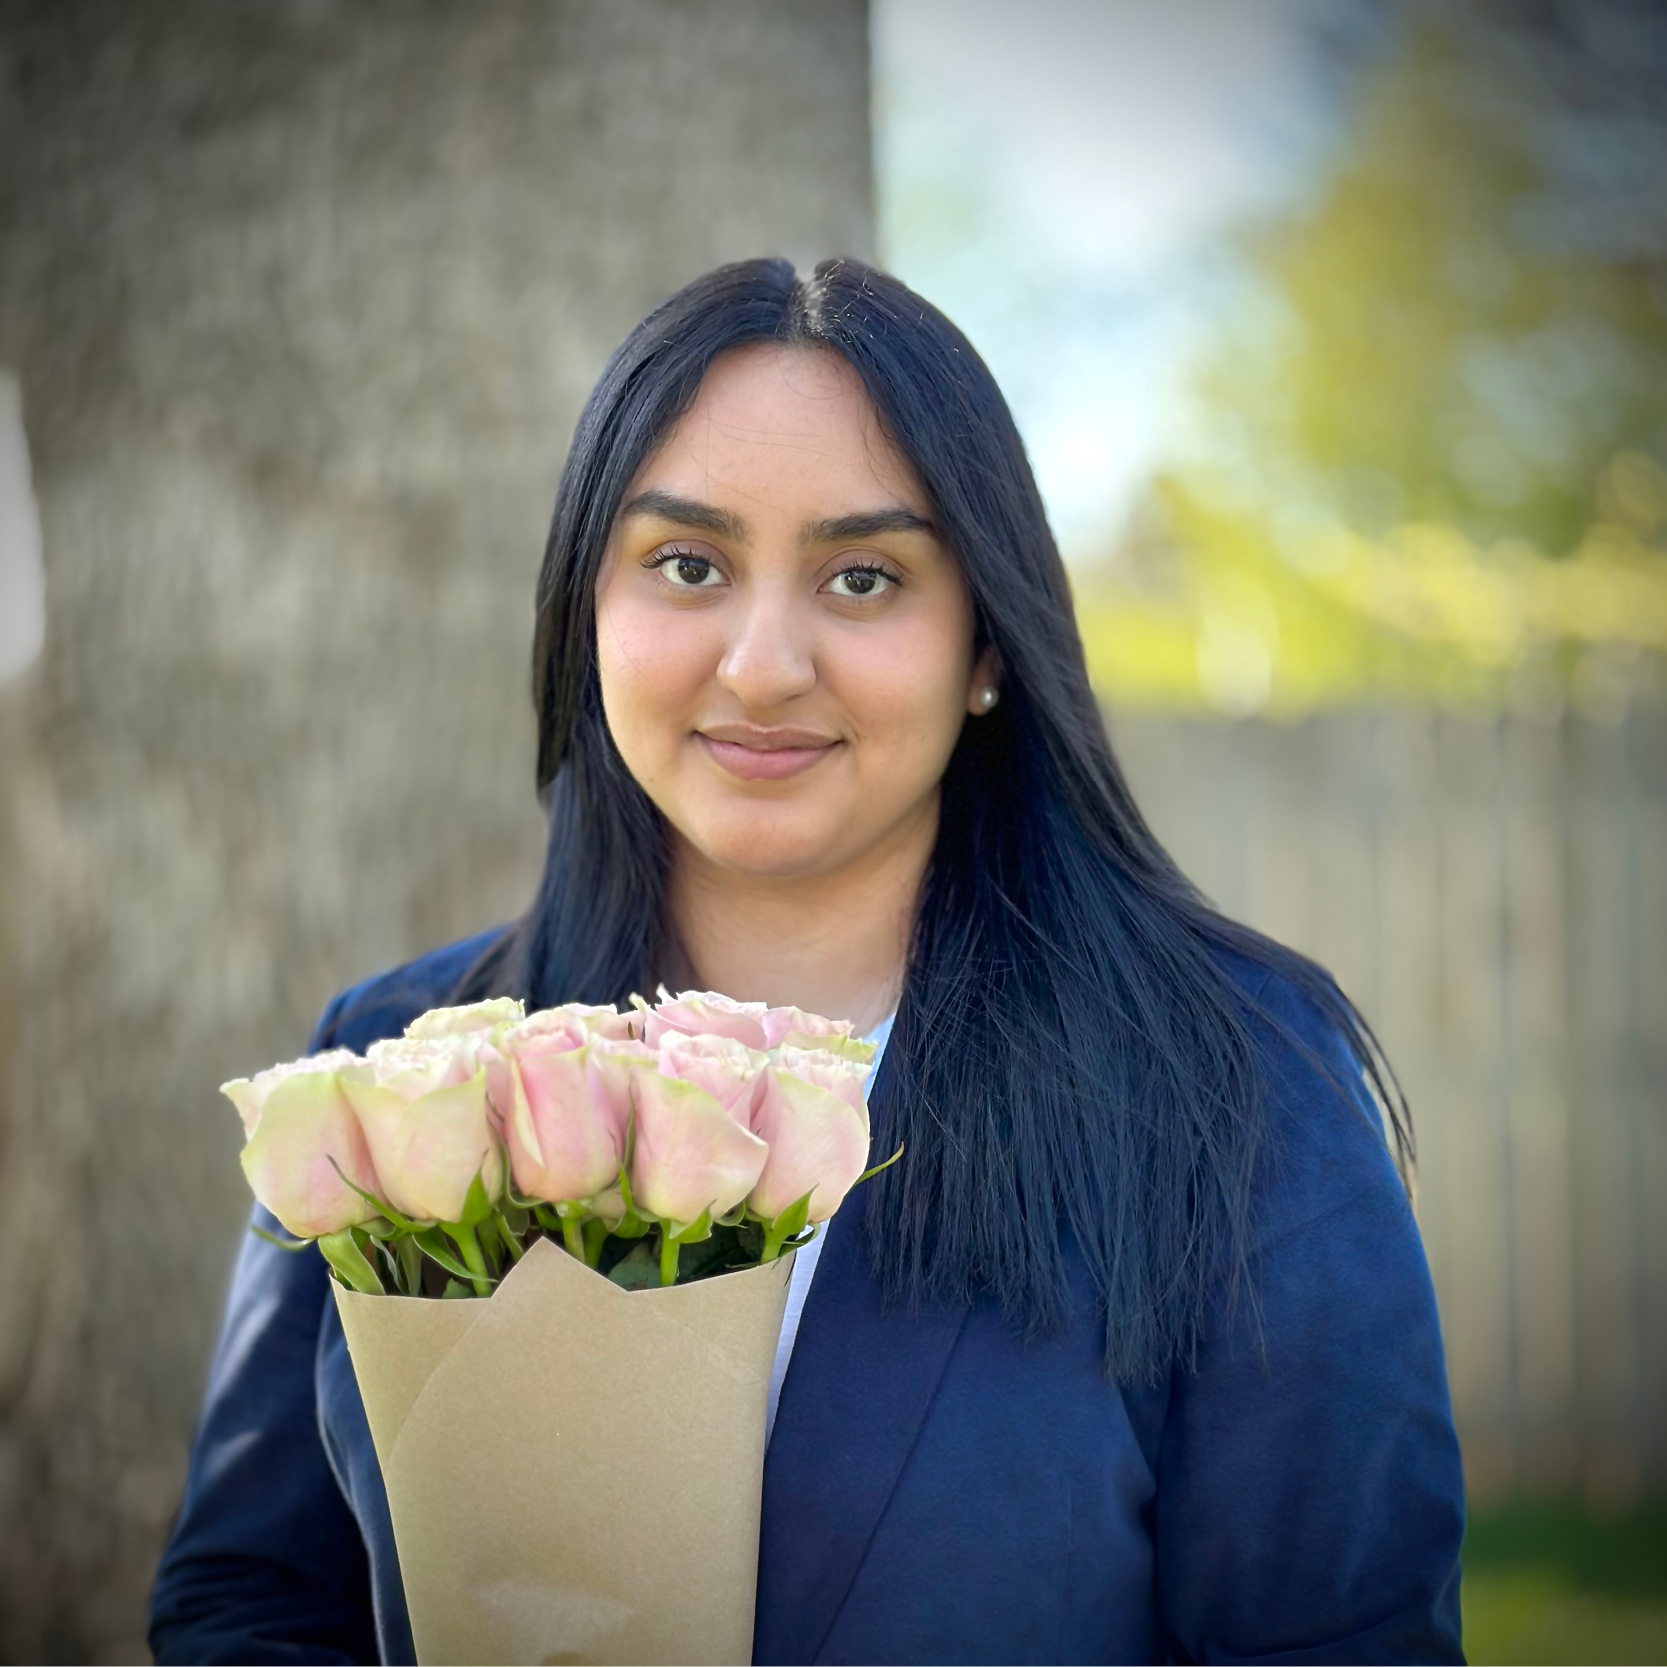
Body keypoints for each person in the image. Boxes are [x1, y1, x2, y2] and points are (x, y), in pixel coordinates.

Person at [150, 258, 1465, 1665]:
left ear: (986, 643)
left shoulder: (1239, 1085)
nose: (764, 665)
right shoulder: (392, 1075)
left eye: (863, 577)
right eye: (687, 565)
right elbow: (248, 1604)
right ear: (587, 612)